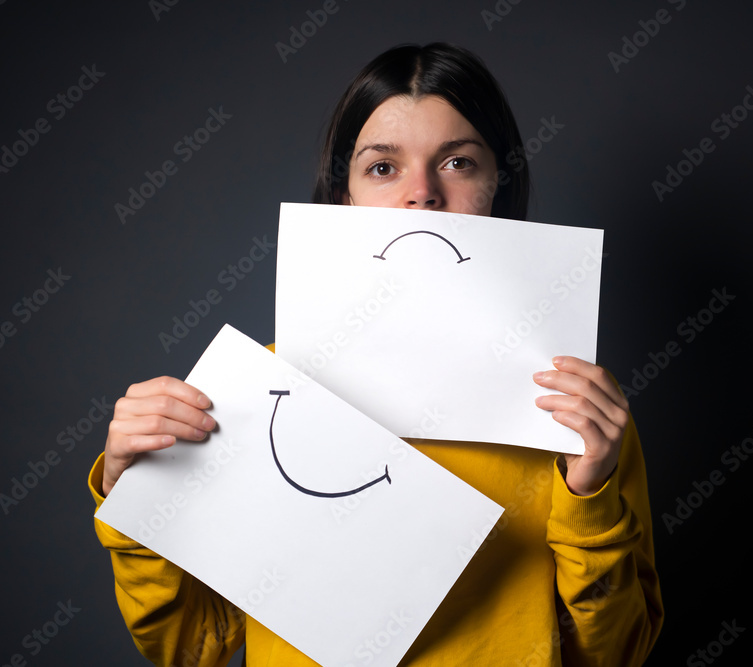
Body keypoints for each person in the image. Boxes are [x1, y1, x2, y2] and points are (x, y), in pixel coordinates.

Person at [90, 42, 663, 666]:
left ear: (498, 186)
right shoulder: (261, 390)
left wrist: (590, 496)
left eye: (459, 162)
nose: (422, 194)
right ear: (345, 197)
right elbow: (190, 647)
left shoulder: (574, 408)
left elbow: (616, 656)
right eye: (383, 167)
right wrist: (137, 496)